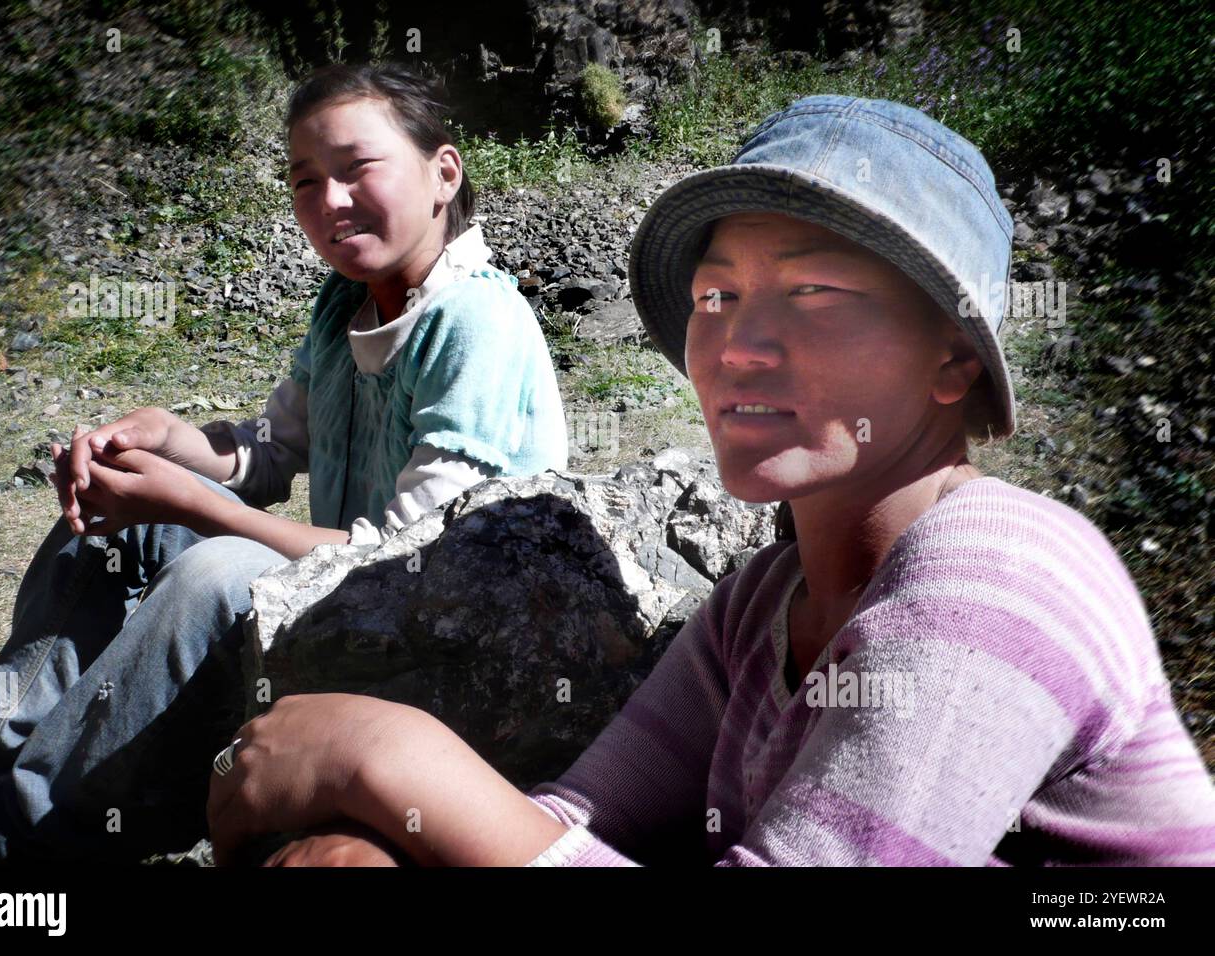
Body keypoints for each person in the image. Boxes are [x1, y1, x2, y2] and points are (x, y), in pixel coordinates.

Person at [205, 95, 1215, 867]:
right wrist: (382, 842)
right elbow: (574, 822)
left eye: (815, 291)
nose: (736, 346)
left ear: (951, 361)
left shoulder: (1000, 576)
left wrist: (387, 760)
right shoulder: (755, 610)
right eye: (714, 294)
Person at [0, 61, 566, 866]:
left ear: (443, 172)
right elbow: (272, 449)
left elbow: (413, 562)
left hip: (439, 648)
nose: (329, 201)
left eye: (358, 167)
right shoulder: (348, 301)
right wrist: (166, 440)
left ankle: (9, 848)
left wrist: (193, 507)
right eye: (305, 181)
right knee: (118, 529)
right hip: (352, 600)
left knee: (218, 571)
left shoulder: (478, 327)